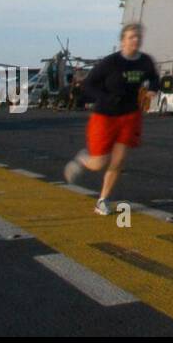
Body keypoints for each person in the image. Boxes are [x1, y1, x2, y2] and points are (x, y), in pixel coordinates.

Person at [62, 23, 161, 215]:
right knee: (99, 163)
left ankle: (103, 200)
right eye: (131, 37)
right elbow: (88, 85)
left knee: (119, 160)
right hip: (105, 115)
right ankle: (83, 159)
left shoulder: (145, 62)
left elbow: (154, 77)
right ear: (123, 40)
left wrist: (152, 89)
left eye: (138, 37)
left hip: (130, 114)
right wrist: (105, 97)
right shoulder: (110, 63)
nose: (136, 40)